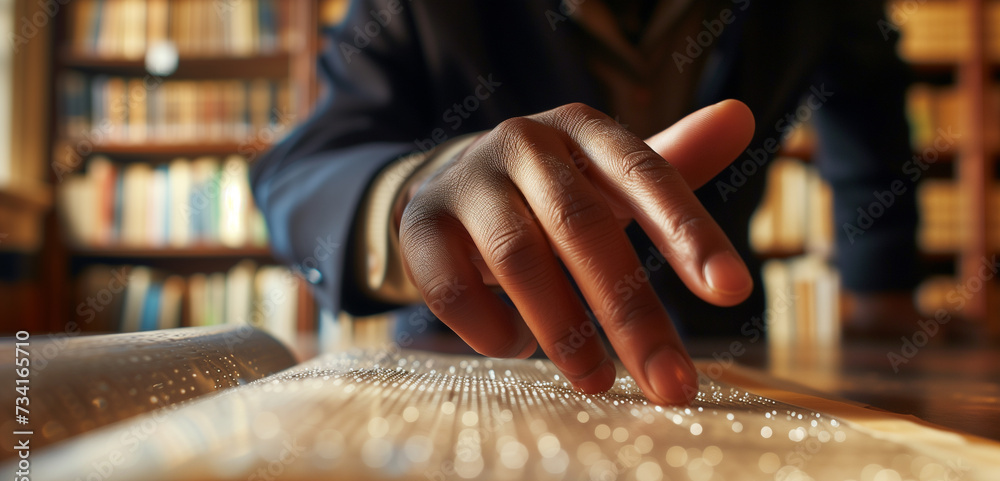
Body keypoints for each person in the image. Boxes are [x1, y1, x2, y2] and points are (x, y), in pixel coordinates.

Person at [251, 0, 920, 405]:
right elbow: (302, 171)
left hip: (724, 347)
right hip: (481, 364)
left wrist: (882, 289)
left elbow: (873, 112)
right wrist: (419, 197)